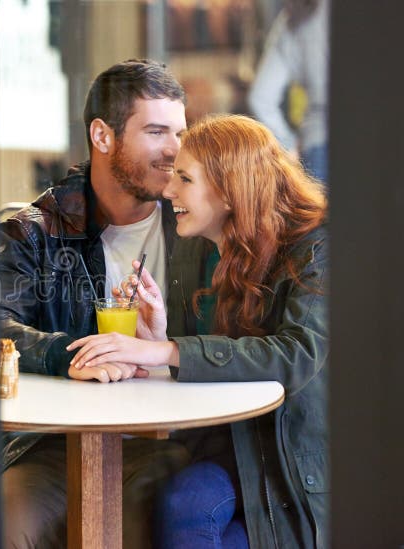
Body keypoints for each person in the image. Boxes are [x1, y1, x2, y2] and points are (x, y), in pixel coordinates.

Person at [68, 114, 329, 548]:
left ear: (229, 191)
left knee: (188, 510)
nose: (168, 191)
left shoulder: (316, 249)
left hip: (291, 461)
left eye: (184, 179)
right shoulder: (195, 250)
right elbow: (194, 357)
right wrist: (158, 337)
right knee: (183, 505)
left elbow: (294, 354)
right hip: (229, 447)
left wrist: (167, 351)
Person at [0, 59, 194, 548]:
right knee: (9, 511)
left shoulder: (199, 223)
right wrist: (74, 356)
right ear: (102, 136)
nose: (173, 150)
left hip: (177, 440)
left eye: (180, 133)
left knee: (152, 505)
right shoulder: (35, 231)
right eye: (155, 131)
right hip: (57, 447)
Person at [248, 0, 329, 181]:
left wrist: (288, 146)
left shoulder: (293, 19)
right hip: (375, 137)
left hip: (316, 145)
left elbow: (260, 98)